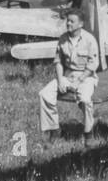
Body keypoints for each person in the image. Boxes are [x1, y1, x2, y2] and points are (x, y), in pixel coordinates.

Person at [39, 9, 101, 146]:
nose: (68, 23)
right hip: (67, 75)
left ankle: (88, 133)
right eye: (68, 20)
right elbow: (58, 61)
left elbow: (93, 65)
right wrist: (60, 79)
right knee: (44, 94)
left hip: (86, 77)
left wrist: (79, 81)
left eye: (72, 21)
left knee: (85, 99)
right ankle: (54, 130)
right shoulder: (63, 39)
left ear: (81, 24)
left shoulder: (89, 39)